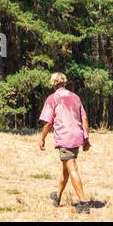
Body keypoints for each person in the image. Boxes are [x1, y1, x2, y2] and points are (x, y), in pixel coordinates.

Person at [38, 72, 91, 211]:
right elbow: (84, 118)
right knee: (66, 169)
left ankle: (83, 202)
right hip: (77, 136)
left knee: (71, 167)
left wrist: (42, 138)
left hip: (65, 137)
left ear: (53, 83)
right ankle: (58, 197)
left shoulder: (53, 98)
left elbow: (48, 122)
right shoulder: (75, 97)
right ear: (65, 83)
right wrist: (86, 138)